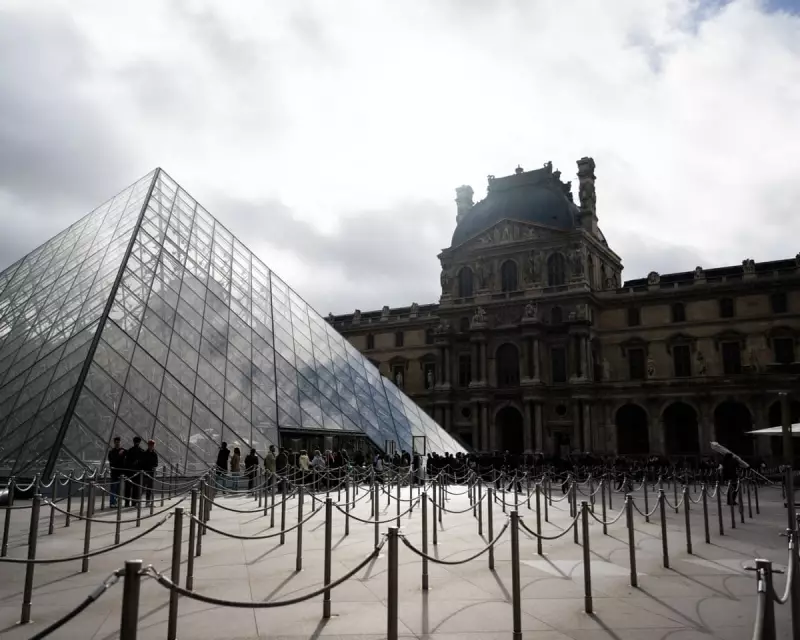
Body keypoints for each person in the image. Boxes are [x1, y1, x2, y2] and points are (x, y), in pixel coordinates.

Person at [124, 437, 144, 507]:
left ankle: (127, 502)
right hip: (137, 472)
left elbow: (126, 462)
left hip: (130, 471)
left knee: (128, 488)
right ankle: (134, 502)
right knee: (136, 488)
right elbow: (142, 463)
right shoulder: (141, 451)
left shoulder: (130, 451)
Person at [107, 436, 125, 508]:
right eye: (116, 442)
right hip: (114, 473)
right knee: (113, 488)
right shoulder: (111, 452)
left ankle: (116, 502)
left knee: (118, 489)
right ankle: (112, 502)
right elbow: (112, 461)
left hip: (120, 473)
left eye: (118, 442)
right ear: (114, 443)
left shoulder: (123, 451)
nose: (117, 443)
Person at [140, 440, 159, 505]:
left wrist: (153, 466)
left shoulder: (154, 454)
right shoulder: (144, 453)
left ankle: (147, 501)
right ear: (148, 445)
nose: (151, 446)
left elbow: (156, 463)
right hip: (145, 472)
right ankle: (138, 500)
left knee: (149, 488)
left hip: (151, 473)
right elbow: (142, 463)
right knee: (142, 487)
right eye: (150, 445)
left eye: (152, 445)